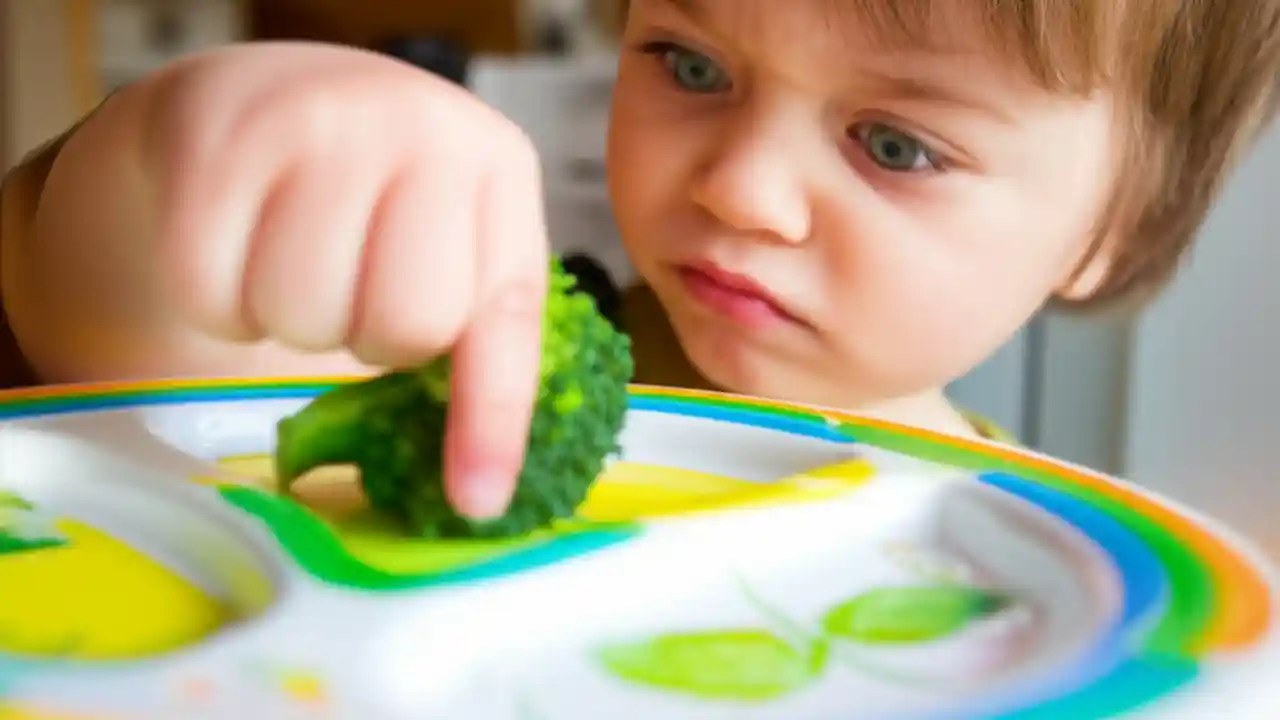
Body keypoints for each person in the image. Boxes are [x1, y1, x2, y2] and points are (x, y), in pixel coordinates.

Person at [2, 0, 1277, 520]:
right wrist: (152, 187)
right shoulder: (474, 355)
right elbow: (129, 358)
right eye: (690, 64)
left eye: (893, 143)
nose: (738, 186)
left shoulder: (1064, 553)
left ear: (1112, 224)